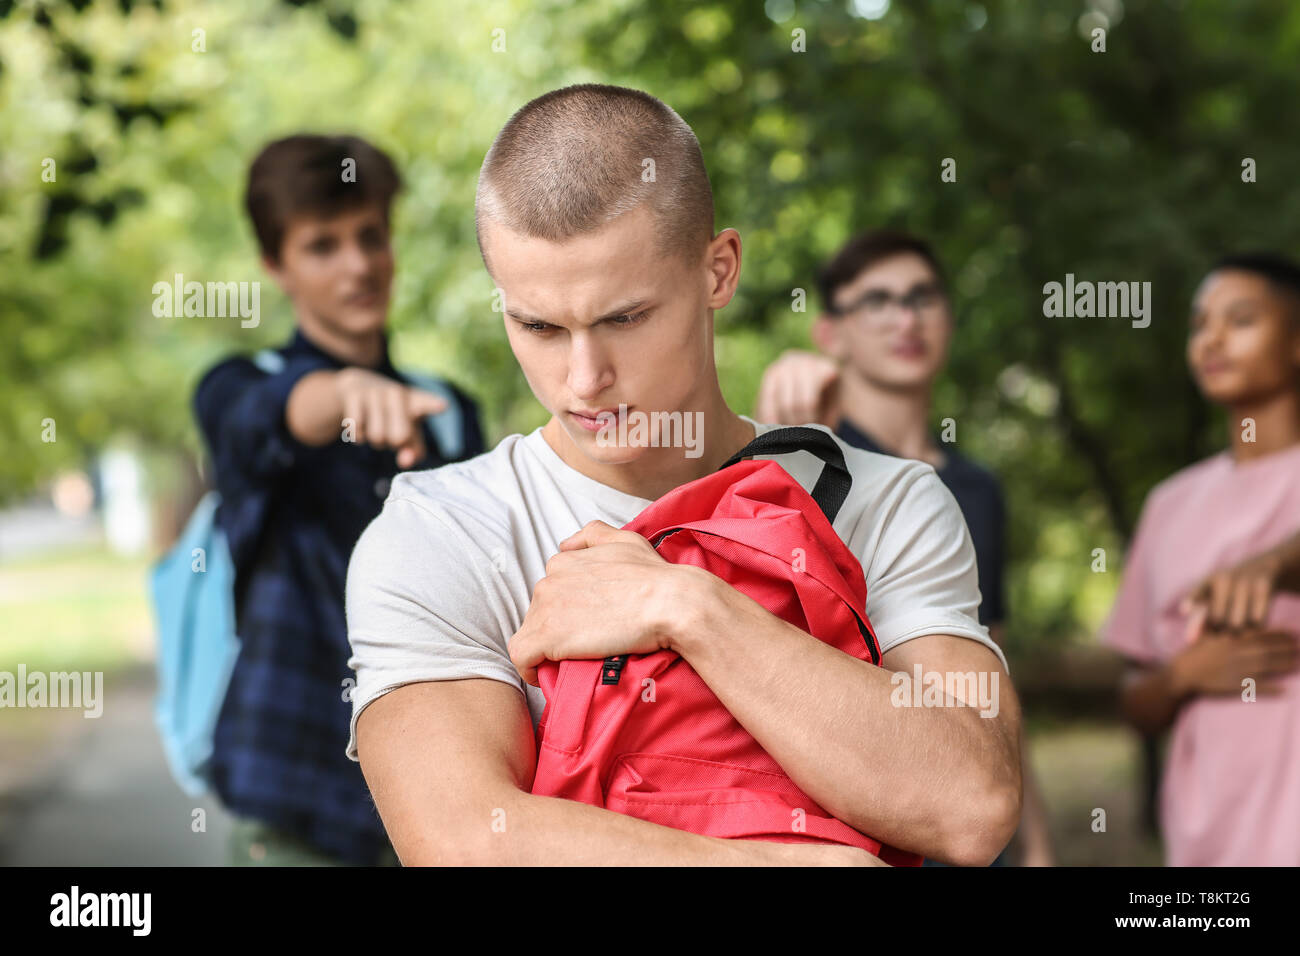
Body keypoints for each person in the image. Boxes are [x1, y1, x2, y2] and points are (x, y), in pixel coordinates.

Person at [344, 84, 1021, 866]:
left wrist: (684, 604)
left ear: (718, 271)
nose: (583, 379)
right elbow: (464, 840)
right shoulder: (439, 529)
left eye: (624, 318)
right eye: (537, 326)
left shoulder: (886, 502)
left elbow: (972, 806)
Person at [193, 134, 485, 866]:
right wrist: (340, 394)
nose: (358, 265)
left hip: (437, 803)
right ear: (275, 266)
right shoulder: (235, 387)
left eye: (370, 236)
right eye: (323, 246)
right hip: (297, 803)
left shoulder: (447, 410)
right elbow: (266, 418)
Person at [753, 229, 1055, 866]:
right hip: (856, 817)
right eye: (877, 301)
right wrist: (787, 420)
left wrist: (1037, 843)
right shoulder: (810, 461)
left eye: (922, 297)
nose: (906, 317)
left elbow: (993, 670)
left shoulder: (978, 487)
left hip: (974, 804)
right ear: (830, 334)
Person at [1102, 252, 1300, 866]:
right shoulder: (1171, 504)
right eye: (1199, 323)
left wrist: (1276, 563)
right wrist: (1183, 675)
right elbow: (1136, 701)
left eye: (1240, 320)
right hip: (1203, 849)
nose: (1211, 339)